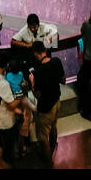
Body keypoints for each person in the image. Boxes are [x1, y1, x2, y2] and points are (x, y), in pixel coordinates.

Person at [30, 39, 65, 167]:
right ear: (44, 50)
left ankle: (48, 162)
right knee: (54, 126)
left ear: (36, 54)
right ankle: (53, 145)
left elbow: (37, 95)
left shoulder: (37, 73)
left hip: (46, 108)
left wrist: (33, 83)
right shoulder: (56, 61)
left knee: (42, 137)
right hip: (57, 102)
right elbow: (64, 80)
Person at [0, 57, 19, 165]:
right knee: (8, 146)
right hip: (6, 122)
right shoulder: (3, 84)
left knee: (1, 138)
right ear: (6, 66)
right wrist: (21, 96)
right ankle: (6, 161)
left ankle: (0, 149)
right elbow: (11, 105)